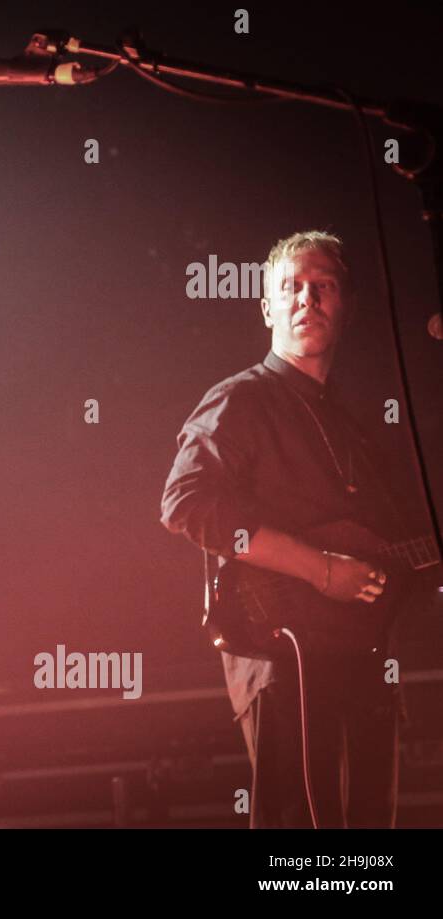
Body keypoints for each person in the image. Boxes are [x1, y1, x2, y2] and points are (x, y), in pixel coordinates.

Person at [160, 230, 414, 828]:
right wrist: (321, 569)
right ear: (268, 307)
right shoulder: (240, 399)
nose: (306, 299)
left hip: (362, 656)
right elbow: (184, 503)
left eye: (322, 286)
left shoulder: (351, 424)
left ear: (345, 305)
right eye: (290, 288)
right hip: (282, 653)